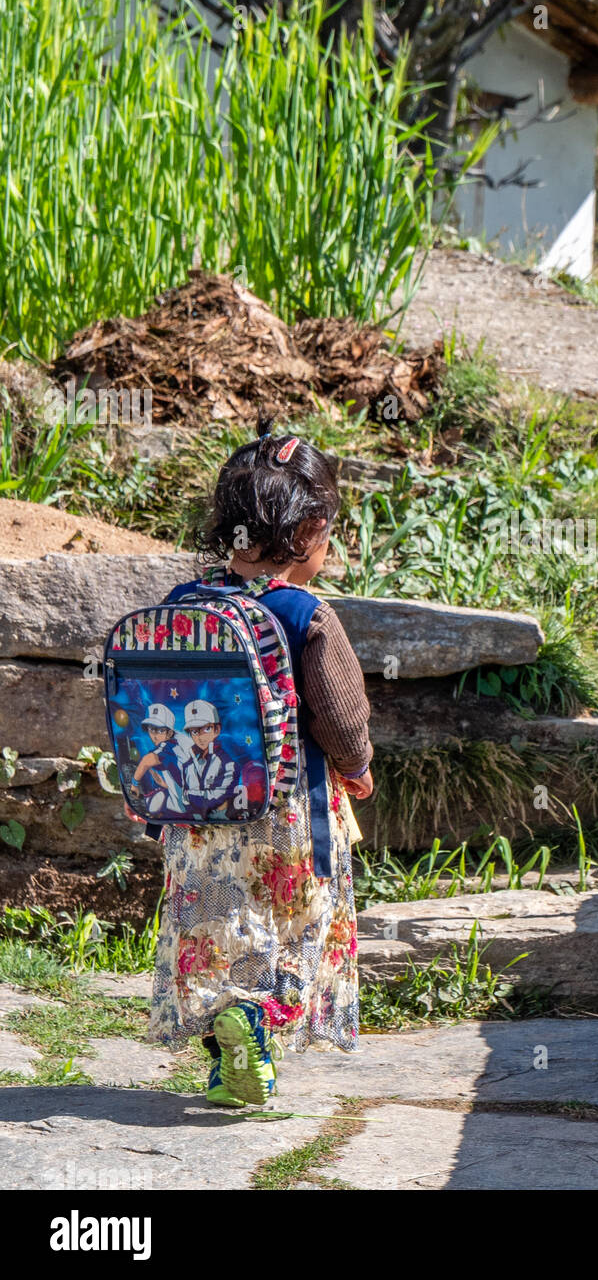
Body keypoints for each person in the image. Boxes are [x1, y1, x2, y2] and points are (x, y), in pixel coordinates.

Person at [134, 419, 374, 1108]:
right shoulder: (304, 614)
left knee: (213, 926)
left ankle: (225, 1050)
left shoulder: (185, 605)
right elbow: (339, 714)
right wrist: (357, 765)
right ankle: (259, 1021)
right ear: (310, 534)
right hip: (288, 814)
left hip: (198, 816)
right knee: (292, 924)